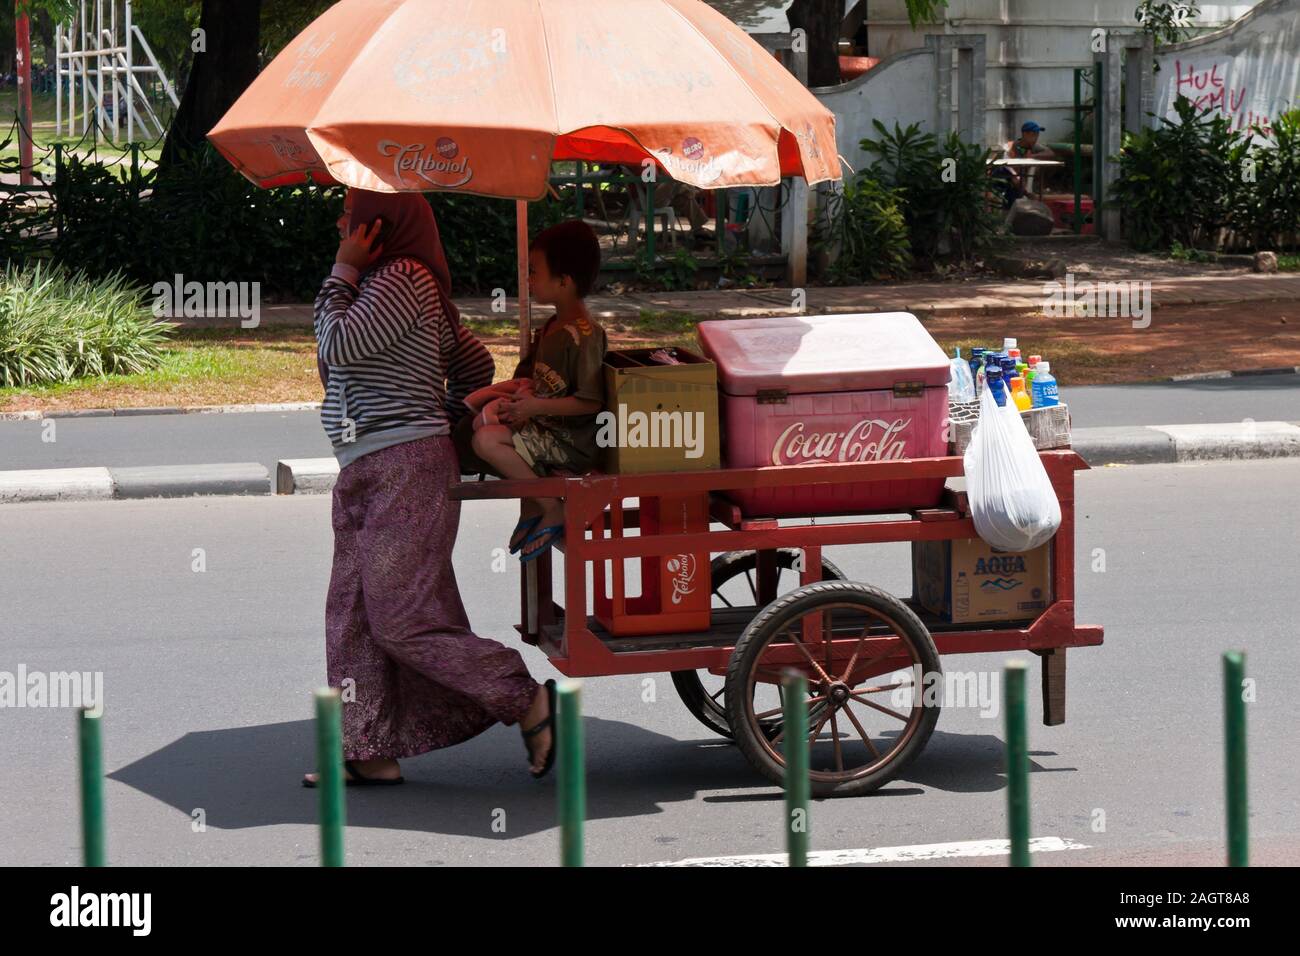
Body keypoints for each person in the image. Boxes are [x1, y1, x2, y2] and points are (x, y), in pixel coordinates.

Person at [302, 188, 558, 787]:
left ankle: (525, 698)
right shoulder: (382, 286)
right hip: (364, 465)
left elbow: (338, 347)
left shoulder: (401, 279)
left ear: (377, 225)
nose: (342, 222)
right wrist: (445, 403)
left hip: (404, 467)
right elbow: (468, 364)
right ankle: (366, 747)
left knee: (402, 620)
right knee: (352, 615)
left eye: (351, 214)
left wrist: (342, 269)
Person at [471, 219, 607, 562]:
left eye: (534, 272)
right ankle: (534, 504)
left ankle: (550, 507)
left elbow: (590, 403)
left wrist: (532, 409)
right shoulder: (552, 326)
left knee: (486, 442)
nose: (528, 279)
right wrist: (518, 402)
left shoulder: (585, 335)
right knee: (482, 426)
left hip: (571, 443)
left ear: (564, 282)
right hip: (546, 427)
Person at [991, 121, 1055, 208]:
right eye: (1034, 135)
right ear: (1025, 134)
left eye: (1037, 135)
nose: (1036, 138)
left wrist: (1033, 156)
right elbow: (1012, 174)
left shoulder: (1033, 147)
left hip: (1018, 182)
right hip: (1003, 180)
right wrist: (1027, 194)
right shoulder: (1010, 148)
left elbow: (1051, 153)